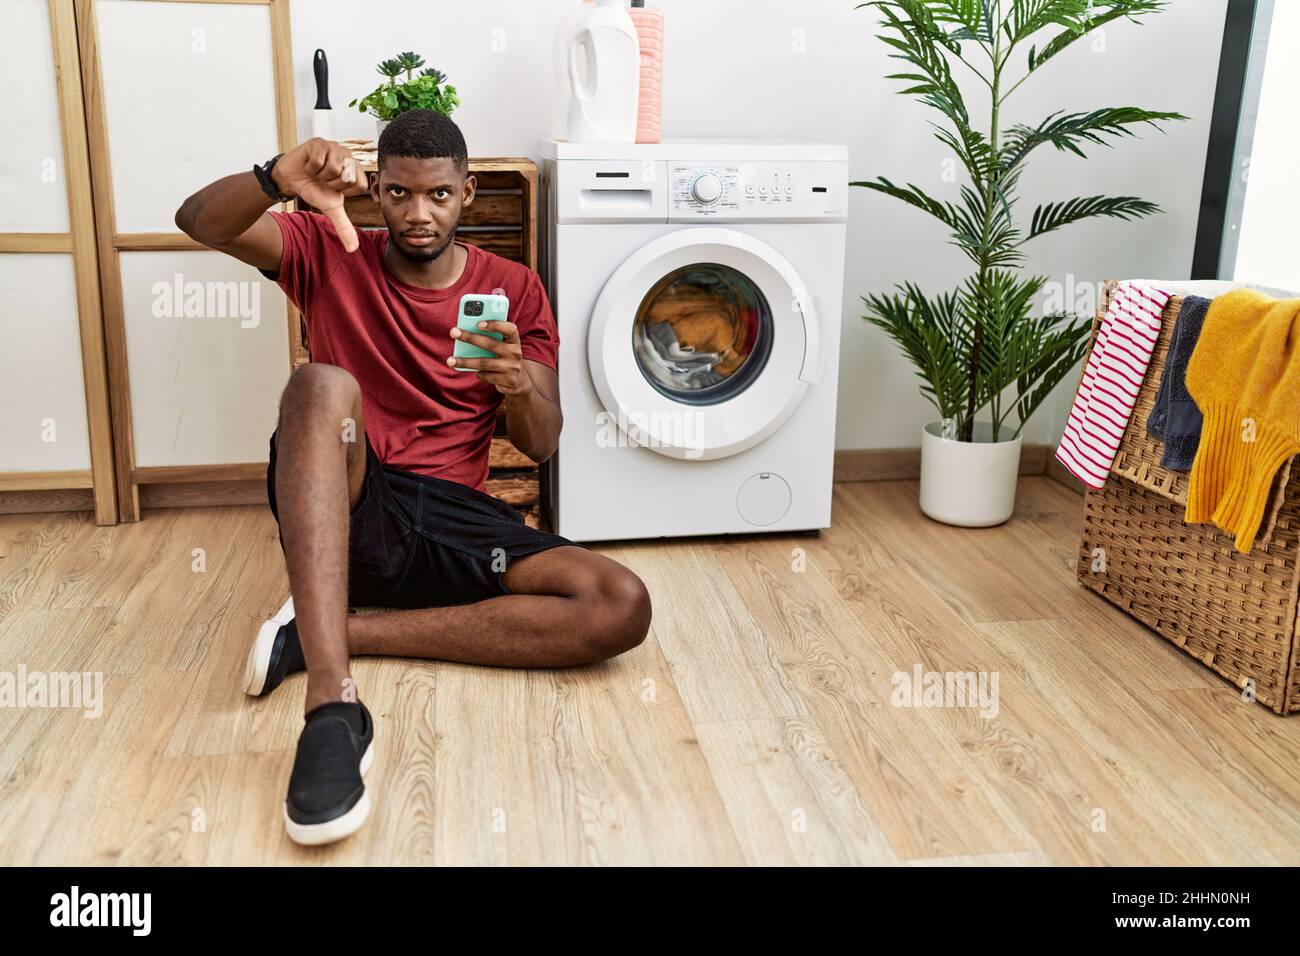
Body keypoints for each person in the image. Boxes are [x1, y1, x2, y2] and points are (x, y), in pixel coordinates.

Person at [175, 109, 652, 846]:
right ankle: (333, 708)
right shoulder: (328, 249)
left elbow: (545, 441)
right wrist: (275, 175)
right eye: (399, 194)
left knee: (620, 603)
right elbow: (197, 221)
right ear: (377, 193)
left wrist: (517, 386)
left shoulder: (515, 288)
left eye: (437, 195)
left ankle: (326, 633)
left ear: (466, 194)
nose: (418, 213)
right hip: (360, 502)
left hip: (458, 517)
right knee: (318, 386)